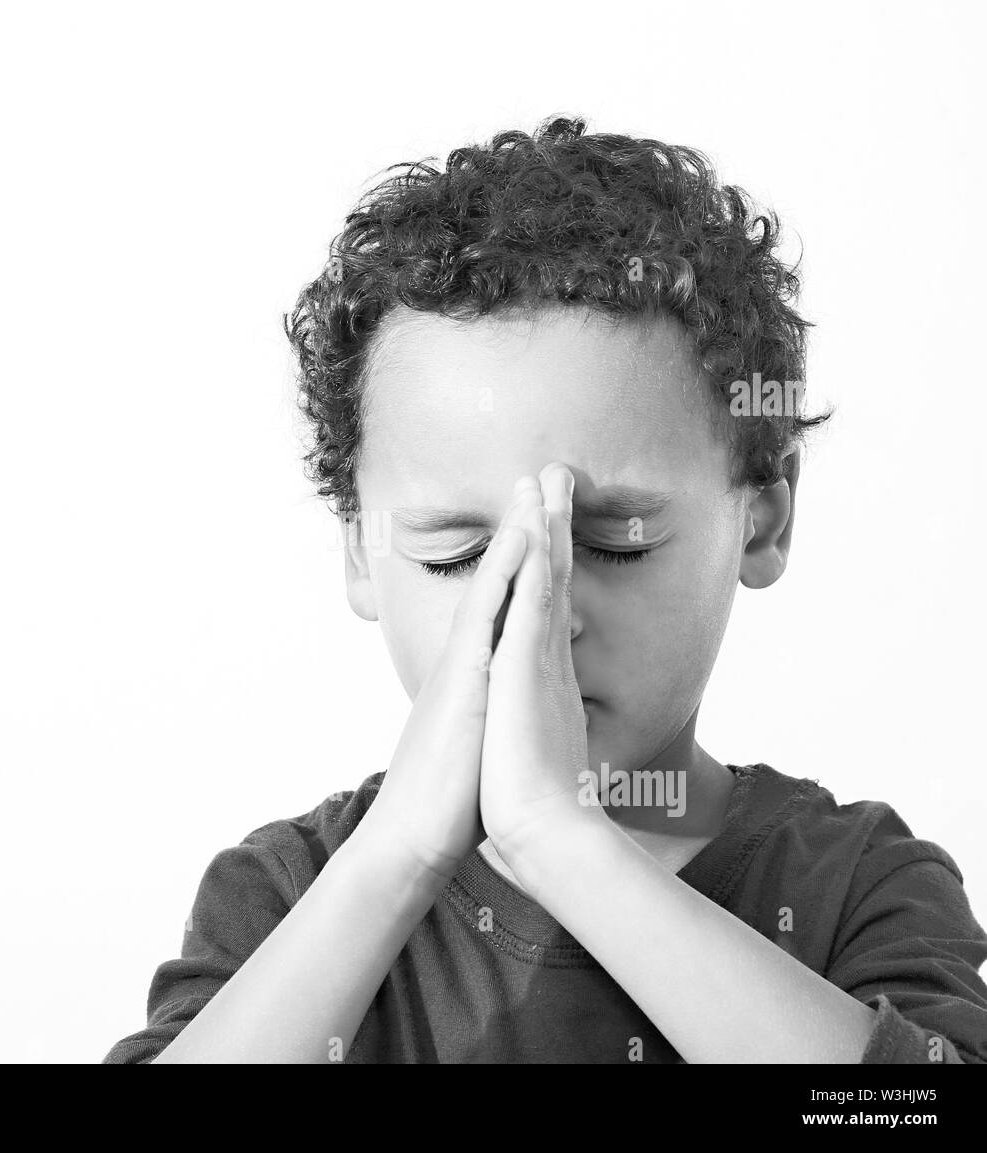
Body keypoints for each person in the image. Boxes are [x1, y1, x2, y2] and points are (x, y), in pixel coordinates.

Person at [103, 115, 987, 1063]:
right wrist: (397, 859)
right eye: (455, 557)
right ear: (361, 555)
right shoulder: (291, 897)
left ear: (760, 522)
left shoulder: (852, 884)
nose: (537, 617)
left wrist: (561, 841)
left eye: (613, 542)